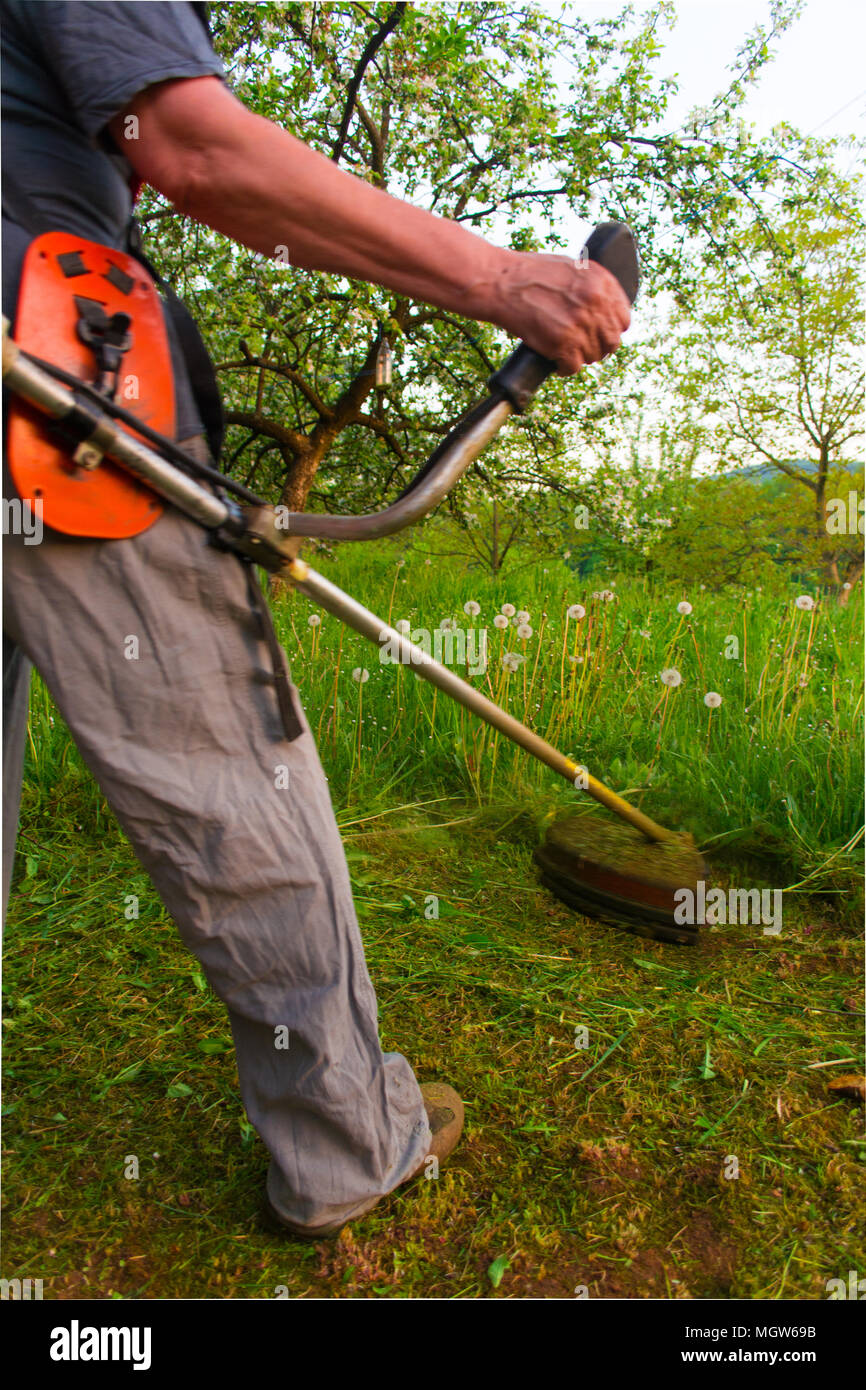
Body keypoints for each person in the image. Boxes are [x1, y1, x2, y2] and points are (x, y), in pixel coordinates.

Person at [1, 1, 630, 1239]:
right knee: (225, 769)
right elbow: (196, 148)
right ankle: (346, 1141)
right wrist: (506, 281)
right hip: (55, 388)